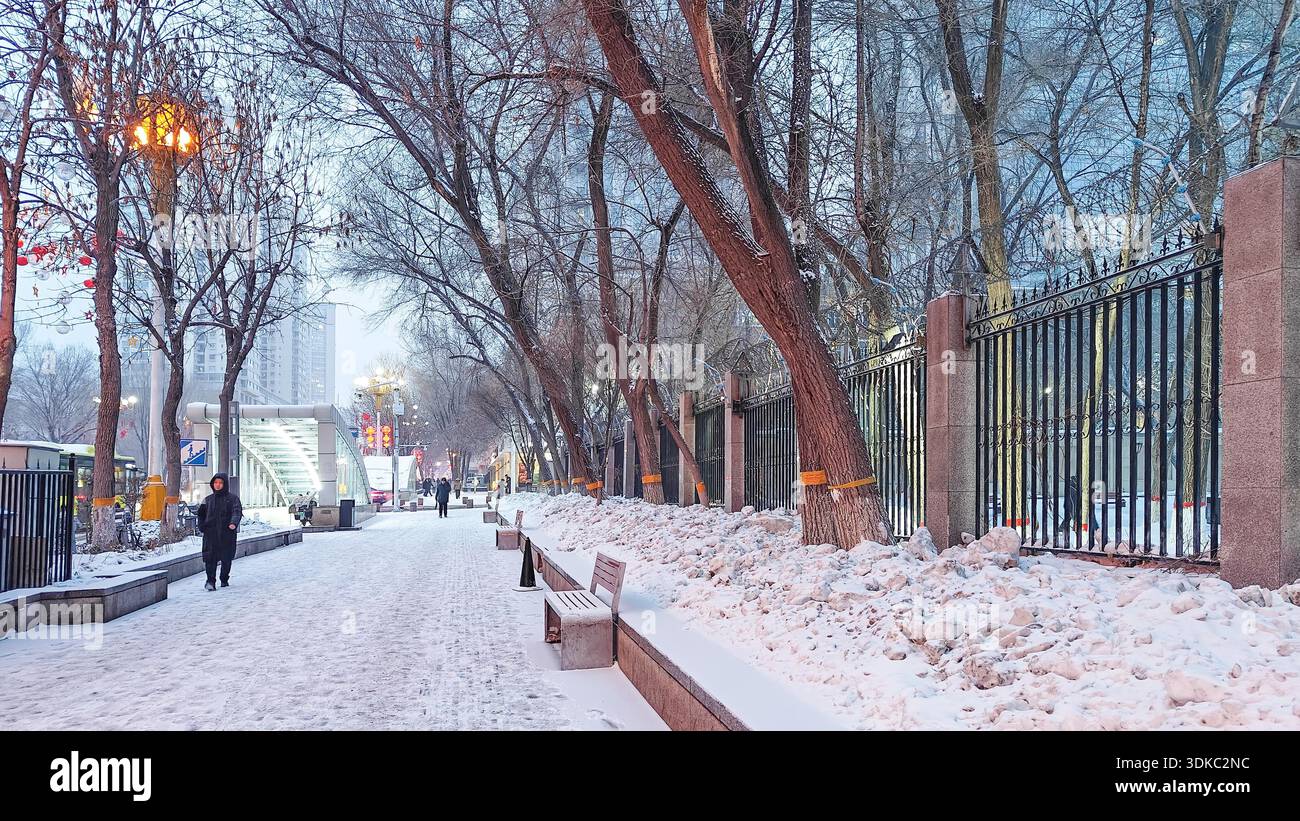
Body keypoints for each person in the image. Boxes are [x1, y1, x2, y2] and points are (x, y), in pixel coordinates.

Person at [197, 472, 243, 591]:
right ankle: (210, 581)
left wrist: (233, 523)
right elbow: (201, 515)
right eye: (216, 483)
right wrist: (202, 526)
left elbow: (236, 511)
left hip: (226, 534)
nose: (217, 485)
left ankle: (224, 578)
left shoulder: (232, 499)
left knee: (226, 559)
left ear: (225, 484)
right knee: (209, 559)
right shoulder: (207, 500)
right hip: (210, 534)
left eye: (220, 483)